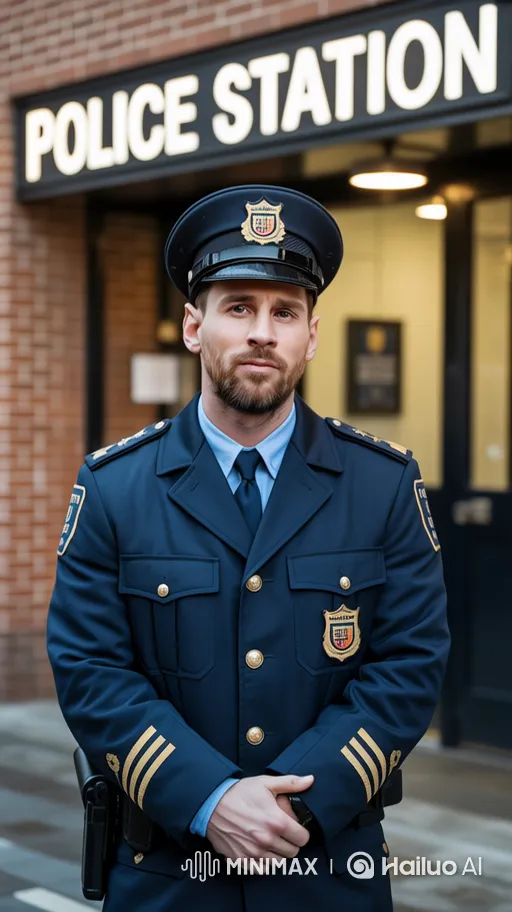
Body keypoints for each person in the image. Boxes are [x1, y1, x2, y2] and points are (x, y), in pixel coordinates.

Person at [47, 184, 450, 912]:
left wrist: (292, 807)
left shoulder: (382, 485)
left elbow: (410, 664)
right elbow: (90, 670)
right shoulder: (116, 488)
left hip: (325, 870)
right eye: (239, 307)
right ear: (194, 327)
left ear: (312, 335)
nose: (263, 332)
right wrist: (209, 798)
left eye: (284, 311)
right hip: (167, 873)